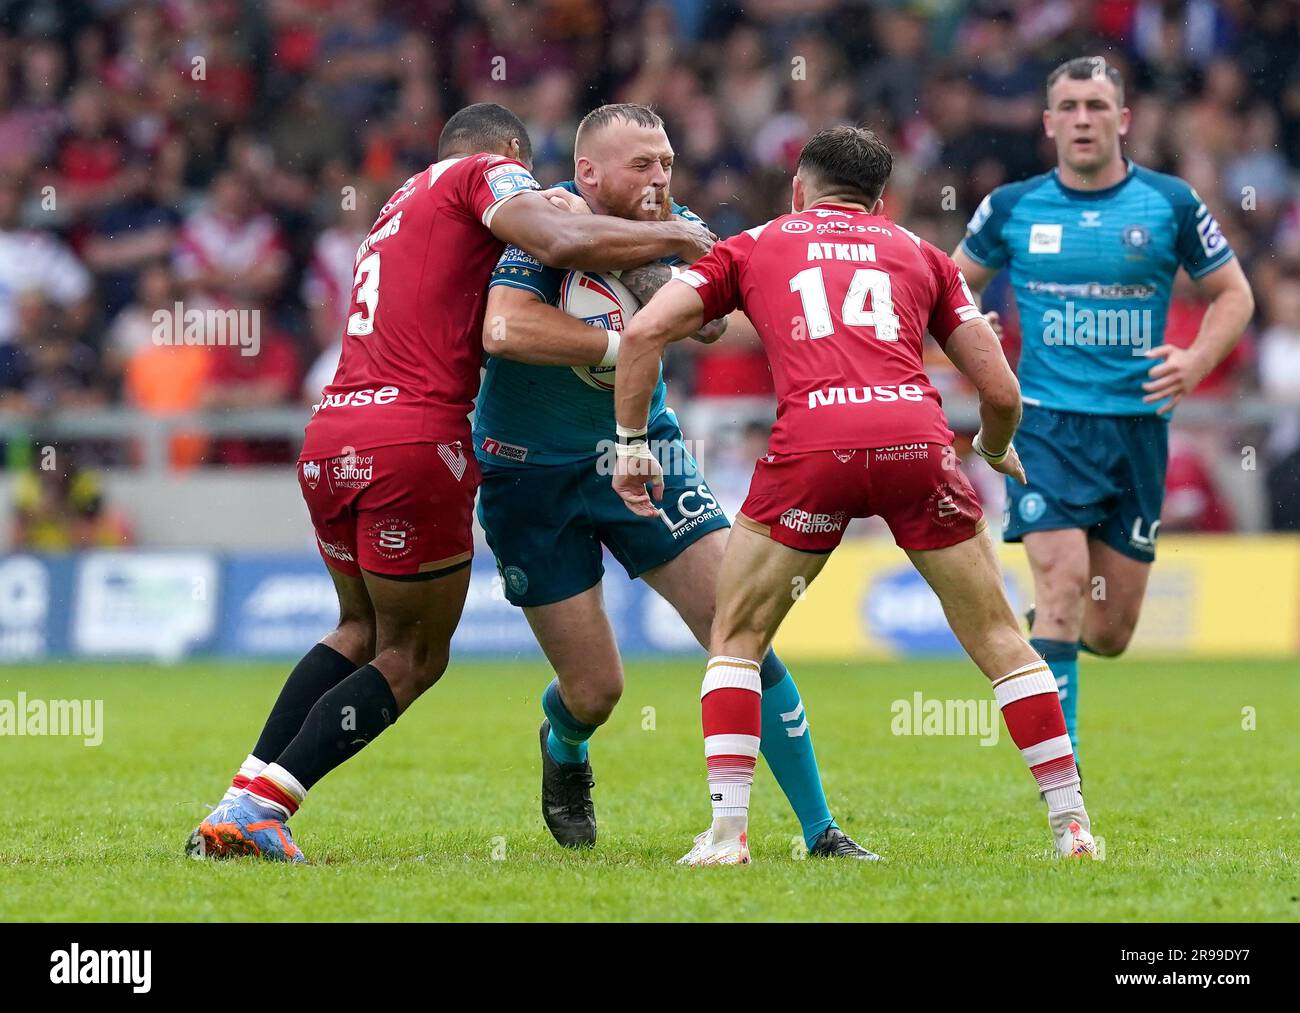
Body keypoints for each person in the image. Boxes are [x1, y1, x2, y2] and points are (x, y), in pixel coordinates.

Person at [187, 102, 714, 862]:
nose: (539, 193)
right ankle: (264, 809)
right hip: (412, 440)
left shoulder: (399, 208)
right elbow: (559, 235)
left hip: (333, 432)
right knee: (412, 656)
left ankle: (240, 797)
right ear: (505, 156)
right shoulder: (485, 173)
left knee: (359, 631)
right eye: (529, 180)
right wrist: (678, 236)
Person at [612, 126, 1096, 865]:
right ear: (881, 198)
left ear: (799, 188)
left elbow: (646, 331)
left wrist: (631, 446)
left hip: (815, 446)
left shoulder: (756, 243)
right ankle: (1073, 829)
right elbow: (1000, 388)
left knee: (737, 636)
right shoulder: (921, 253)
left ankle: (727, 835)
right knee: (1002, 639)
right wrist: (994, 450)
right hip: (917, 443)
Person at [478, 104, 873, 858]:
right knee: (596, 691)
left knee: (740, 625)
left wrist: (649, 245)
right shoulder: (545, 223)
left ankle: (820, 829)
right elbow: (506, 329)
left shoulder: (679, 226)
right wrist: (615, 345)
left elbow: (710, 322)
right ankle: (564, 744)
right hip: (528, 473)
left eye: (666, 162)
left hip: (644, 453)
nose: (661, 178)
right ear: (587, 173)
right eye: (642, 165)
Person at [951, 57, 1254, 757]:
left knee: (1111, 631)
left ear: (1123, 120)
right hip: (1045, 426)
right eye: (1069, 106)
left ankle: (1049, 635)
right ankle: (1066, 786)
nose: (1082, 118)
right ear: (1049, 122)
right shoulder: (1012, 206)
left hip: (1138, 431)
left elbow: (1235, 295)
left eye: (1096, 105)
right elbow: (946, 285)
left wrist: (1196, 360)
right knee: (1059, 587)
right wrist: (971, 332)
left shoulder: (1171, 204)